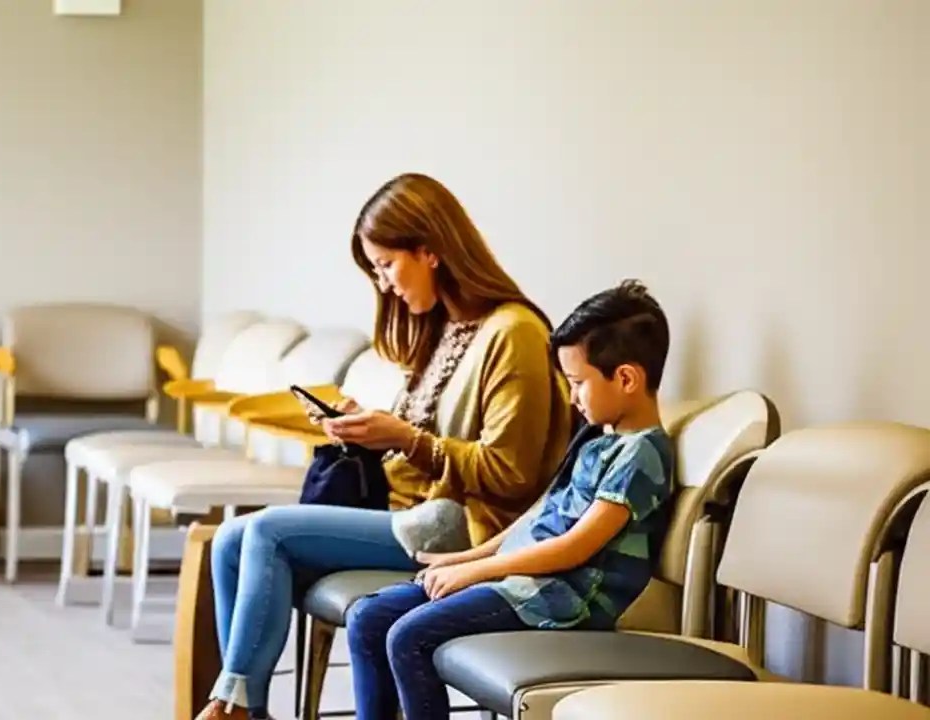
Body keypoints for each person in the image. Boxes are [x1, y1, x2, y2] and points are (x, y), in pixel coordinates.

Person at [196, 173, 573, 720]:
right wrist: (373, 432)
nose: (385, 284)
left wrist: (406, 438)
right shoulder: (448, 329)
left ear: (431, 251)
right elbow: (432, 441)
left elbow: (511, 475)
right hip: (414, 511)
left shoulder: (512, 333)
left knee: (268, 532)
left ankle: (231, 707)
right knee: (231, 537)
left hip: (466, 527)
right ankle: (244, 706)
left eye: (387, 265)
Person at [344, 279, 676, 720]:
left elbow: (575, 547)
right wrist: (465, 559)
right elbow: (537, 518)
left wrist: (477, 571)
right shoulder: (599, 438)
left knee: (409, 636)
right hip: (524, 583)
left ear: (627, 378)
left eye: (577, 383)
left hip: (564, 600)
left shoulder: (644, 454)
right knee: (368, 617)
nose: (572, 397)